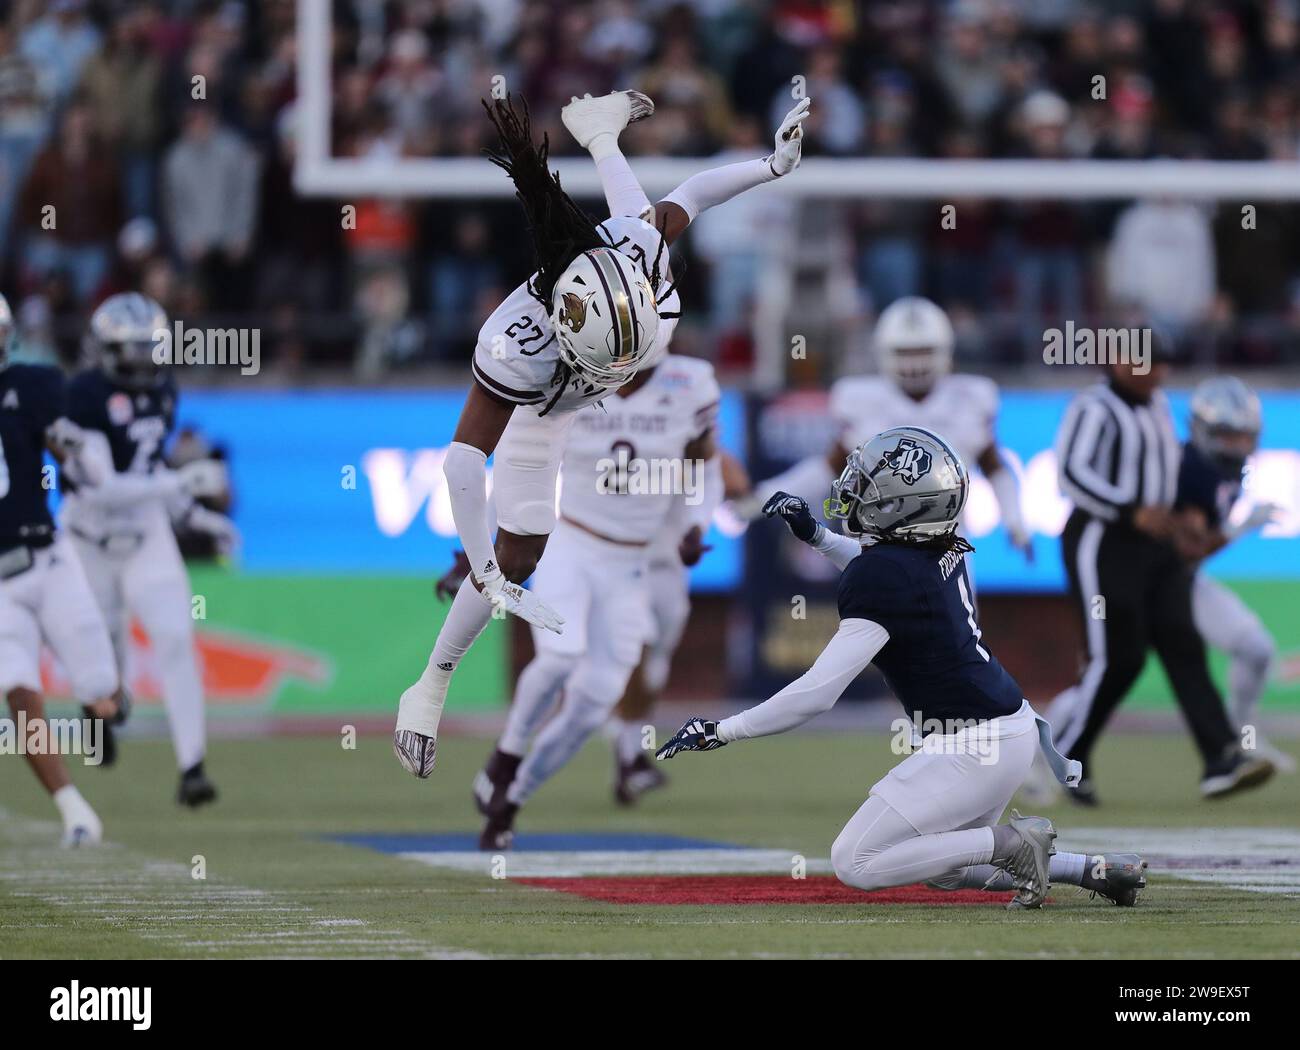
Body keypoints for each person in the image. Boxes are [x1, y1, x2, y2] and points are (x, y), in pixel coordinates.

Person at [393, 89, 812, 777]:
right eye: (611, 367)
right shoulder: (516, 344)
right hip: (550, 405)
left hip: (639, 312)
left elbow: (692, 196)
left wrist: (772, 166)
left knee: (637, 217)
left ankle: (600, 134)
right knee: (520, 550)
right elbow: (464, 462)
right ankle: (430, 683)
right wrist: (486, 565)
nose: (622, 380)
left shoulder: (640, 258)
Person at [658, 426, 1146, 908]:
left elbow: (817, 693)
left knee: (857, 861)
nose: (854, 490)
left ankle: (1015, 844)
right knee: (946, 868)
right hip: (1006, 731)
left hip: (977, 745)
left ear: (905, 505)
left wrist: (722, 729)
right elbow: (883, 567)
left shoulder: (884, 574)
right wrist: (818, 537)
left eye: (870, 485)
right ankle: (1093, 870)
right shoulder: (936, 545)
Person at [472, 352, 722, 848]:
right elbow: (521, 460)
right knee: (563, 656)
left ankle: (512, 801)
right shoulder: (576, 373)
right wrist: (479, 540)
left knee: (592, 706)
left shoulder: (691, 384)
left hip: (631, 568)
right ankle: (506, 754)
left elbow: (703, 467)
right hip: (573, 545)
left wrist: (697, 523)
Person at [1050, 356, 1273, 802]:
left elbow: (1182, 521)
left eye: (1162, 364)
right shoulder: (1095, 406)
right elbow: (1071, 474)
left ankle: (1221, 759)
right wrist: (1133, 510)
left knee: (1184, 644)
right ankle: (1066, 752)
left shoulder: (1159, 409)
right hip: (1104, 539)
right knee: (1118, 657)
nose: (1157, 373)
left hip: (1157, 550)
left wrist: (1184, 522)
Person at [60, 293, 235, 806]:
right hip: (88, 538)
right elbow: (104, 486)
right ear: (108, 349)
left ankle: (192, 768)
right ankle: (100, 713)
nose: (145, 360)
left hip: (145, 533)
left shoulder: (163, 392)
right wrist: (182, 483)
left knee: (176, 639)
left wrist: (195, 512)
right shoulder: (83, 395)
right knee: (100, 657)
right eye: (133, 349)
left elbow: (147, 471)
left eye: (150, 348)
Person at [734, 297, 1032, 565]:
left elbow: (995, 469)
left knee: (957, 623)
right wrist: (763, 496)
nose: (914, 362)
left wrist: (1015, 520)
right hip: (880, 544)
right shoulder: (862, 400)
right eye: (904, 351)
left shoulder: (970, 398)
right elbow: (826, 470)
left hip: (950, 547)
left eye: (924, 350)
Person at [0, 291, 118, 844]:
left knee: (101, 693)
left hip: (48, 560)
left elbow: (79, 454)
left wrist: (76, 453)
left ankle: (101, 713)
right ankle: (74, 810)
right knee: (20, 694)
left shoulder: (30, 386)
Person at [1176, 377, 1293, 773]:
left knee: (1256, 648)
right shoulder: (1189, 467)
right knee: (1112, 673)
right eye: (1227, 434)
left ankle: (1246, 738)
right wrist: (1242, 527)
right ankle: (1042, 754)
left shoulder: (1227, 471)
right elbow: (1191, 546)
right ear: (1203, 429)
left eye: (1244, 435)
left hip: (1185, 581)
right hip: (1149, 585)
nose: (1238, 445)